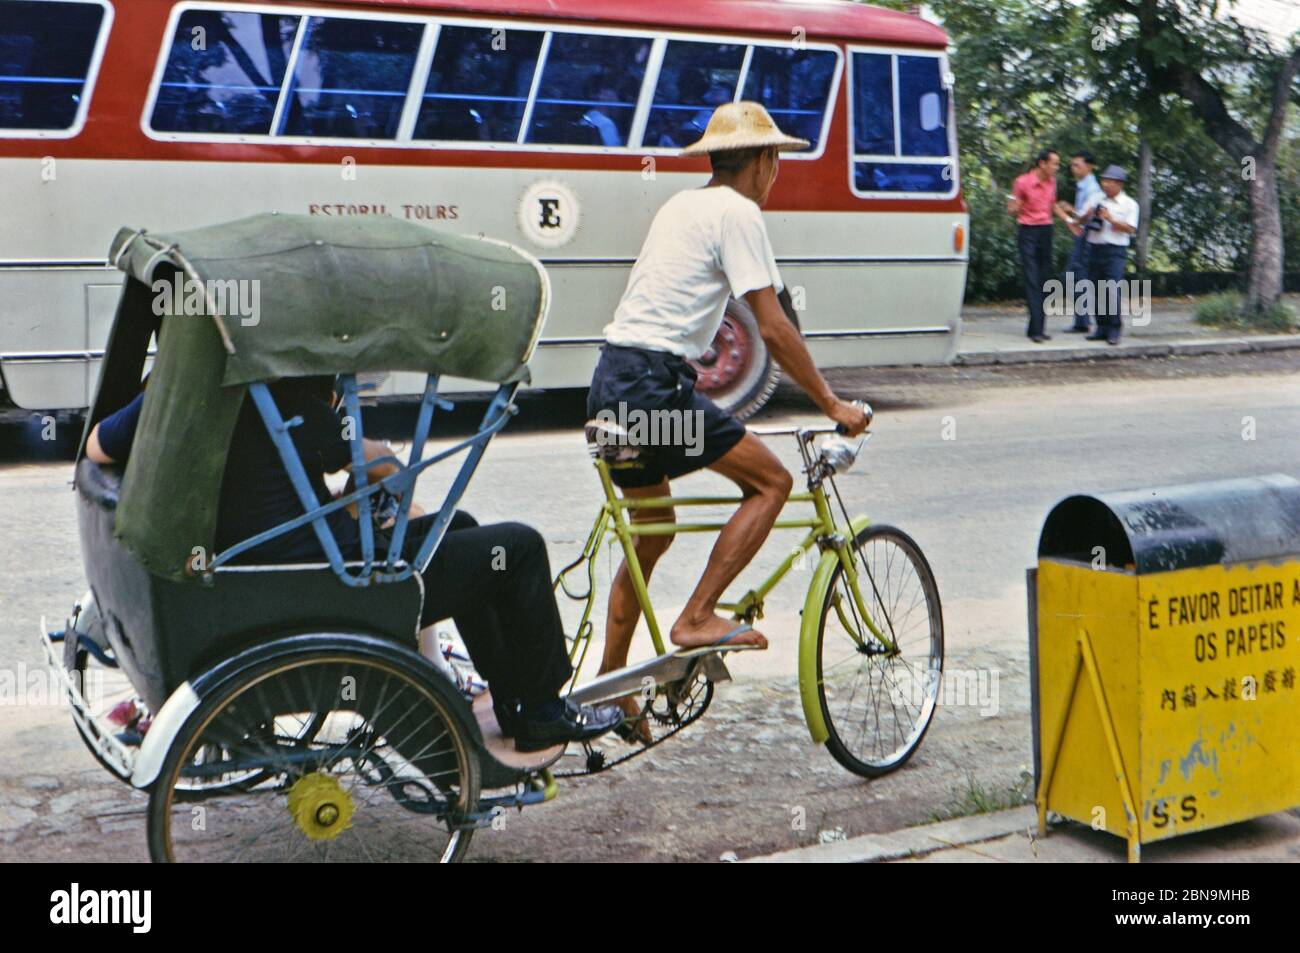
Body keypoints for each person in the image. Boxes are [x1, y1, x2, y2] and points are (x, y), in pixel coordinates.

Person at [86, 379, 622, 753]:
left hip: (254, 572)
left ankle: (514, 698)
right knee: (520, 546)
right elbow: (385, 466)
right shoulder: (290, 401)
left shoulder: (175, 392)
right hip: (337, 585)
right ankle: (543, 711)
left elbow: (97, 447)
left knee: (461, 528)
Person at [586, 101, 869, 737]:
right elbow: (772, 326)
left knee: (651, 534)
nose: (777, 175)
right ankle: (698, 616)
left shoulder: (683, 205)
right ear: (766, 162)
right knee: (773, 484)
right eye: (777, 164)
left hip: (613, 383)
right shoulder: (738, 212)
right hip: (652, 394)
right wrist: (832, 405)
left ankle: (613, 687)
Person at [1080, 165, 1139, 346]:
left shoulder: (1129, 204)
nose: (1105, 184)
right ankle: (1101, 327)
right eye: (1103, 180)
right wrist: (1087, 215)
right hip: (1095, 248)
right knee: (1096, 290)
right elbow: (1080, 220)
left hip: (1115, 251)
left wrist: (1110, 218)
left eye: (1109, 181)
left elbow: (1130, 229)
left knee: (1112, 290)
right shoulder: (1095, 198)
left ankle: (1114, 329)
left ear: (1119, 184)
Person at [1007, 149, 1059, 343]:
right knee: (1032, 278)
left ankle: (1037, 328)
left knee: (1046, 278)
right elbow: (1011, 207)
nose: (1056, 167)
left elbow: (1052, 205)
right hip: (1028, 231)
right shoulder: (1022, 182)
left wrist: (1069, 220)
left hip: (1046, 230)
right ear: (1042, 164)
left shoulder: (1052, 182)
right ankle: (1036, 329)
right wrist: (1014, 207)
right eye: (1054, 163)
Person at [1053, 151, 1102, 333]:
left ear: (1089, 167)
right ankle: (1083, 321)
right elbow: (1084, 214)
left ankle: (1084, 321)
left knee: (1073, 276)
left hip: (1086, 236)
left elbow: (1088, 217)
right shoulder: (1083, 186)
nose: (1074, 169)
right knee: (1078, 277)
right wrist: (1072, 211)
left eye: (1077, 165)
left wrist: (1067, 214)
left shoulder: (1092, 188)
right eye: (1072, 165)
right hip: (1083, 235)